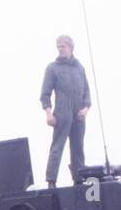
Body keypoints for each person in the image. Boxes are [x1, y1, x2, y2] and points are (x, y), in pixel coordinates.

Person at [39, 35, 91, 187]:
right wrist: (48, 113)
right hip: (62, 112)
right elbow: (45, 93)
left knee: (78, 148)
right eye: (58, 46)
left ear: (70, 47)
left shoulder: (80, 68)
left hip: (79, 113)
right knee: (57, 147)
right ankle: (51, 180)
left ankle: (79, 178)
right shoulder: (52, 68)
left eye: (63, 46)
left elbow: (87, 92)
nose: (60, 49)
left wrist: (85, 109)